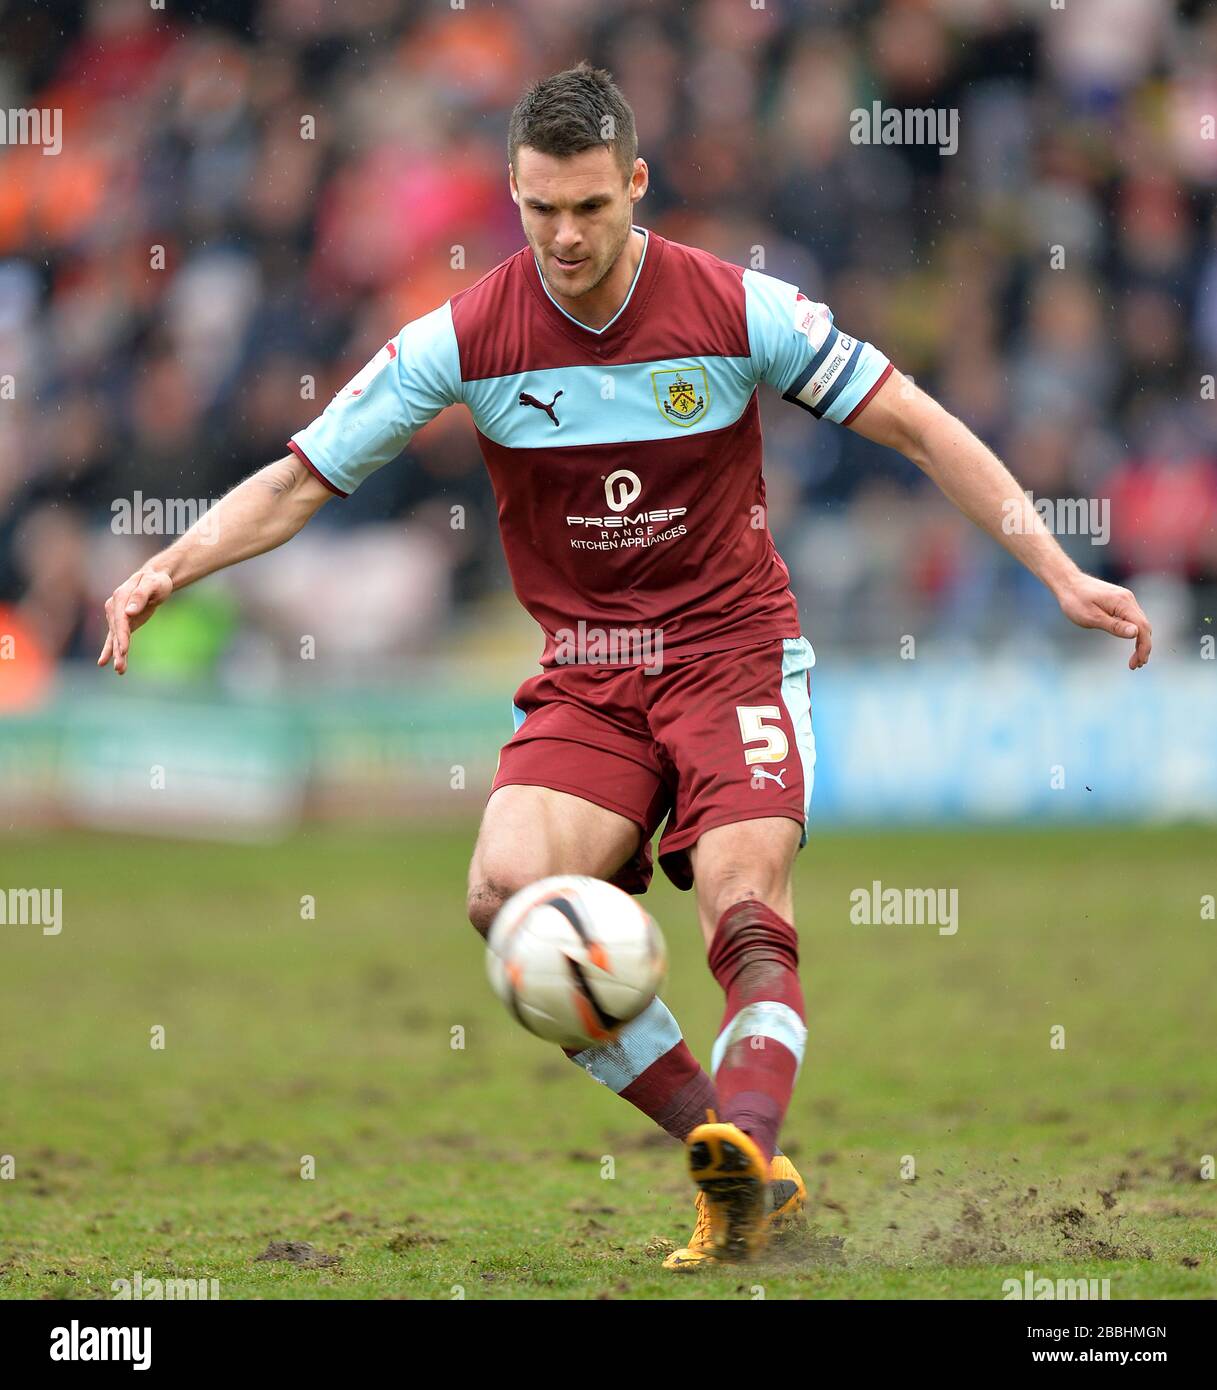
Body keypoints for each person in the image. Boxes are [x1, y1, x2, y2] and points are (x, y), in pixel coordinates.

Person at [99, 62, 1153, 1269]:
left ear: (635, 186)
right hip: (590, 676)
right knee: (505, 901)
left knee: (743, 908)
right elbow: (299, 479)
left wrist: (1056, 569)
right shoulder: (464, 336)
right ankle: (734, 1160)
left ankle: (743, 1148)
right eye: (540, 208)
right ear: (511, 192)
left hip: (729, 658)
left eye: (590, 207)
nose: (563, 235)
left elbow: (912, 418)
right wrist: (166, 566)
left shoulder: (735, 309)